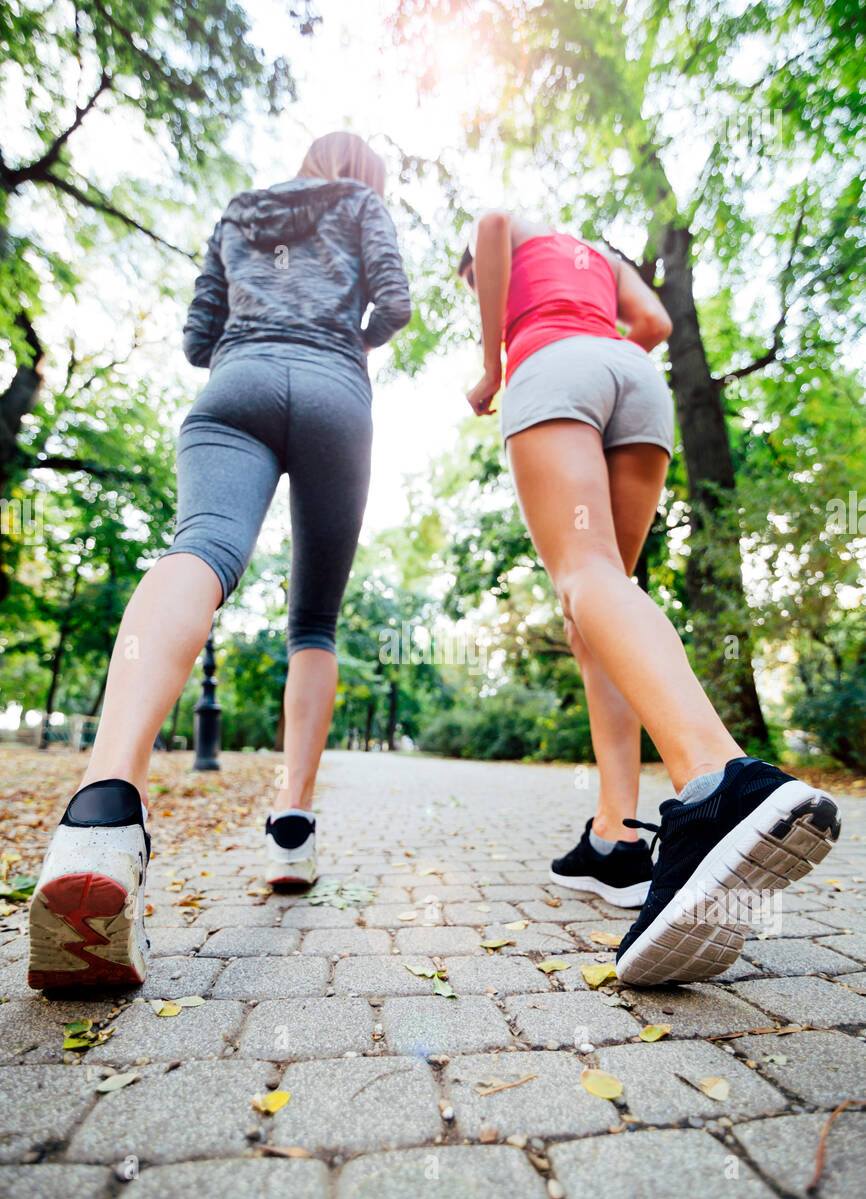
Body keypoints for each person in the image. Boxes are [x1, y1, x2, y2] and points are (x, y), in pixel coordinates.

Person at [27, 132, 411, 991]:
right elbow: (396, 302)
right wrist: (342, 337)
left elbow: (199, 333)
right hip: (334, 394)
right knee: (314, 622)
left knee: (199, 547)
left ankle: (101, 813)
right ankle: (292, 828)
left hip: (232, 387)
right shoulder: (362, 205)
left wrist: (252, 339)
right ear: (364, 174)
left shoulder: (242, 210)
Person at [458, 210, 840, 986]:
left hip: (554, 370)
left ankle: (719, 781)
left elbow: (492, 221)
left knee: (584, 572)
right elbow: (655, 321)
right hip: (635, 380)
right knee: (597, 609)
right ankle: (616, 839)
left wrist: (494, 363)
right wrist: (603, 344)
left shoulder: (510, 235)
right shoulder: (599, 254)